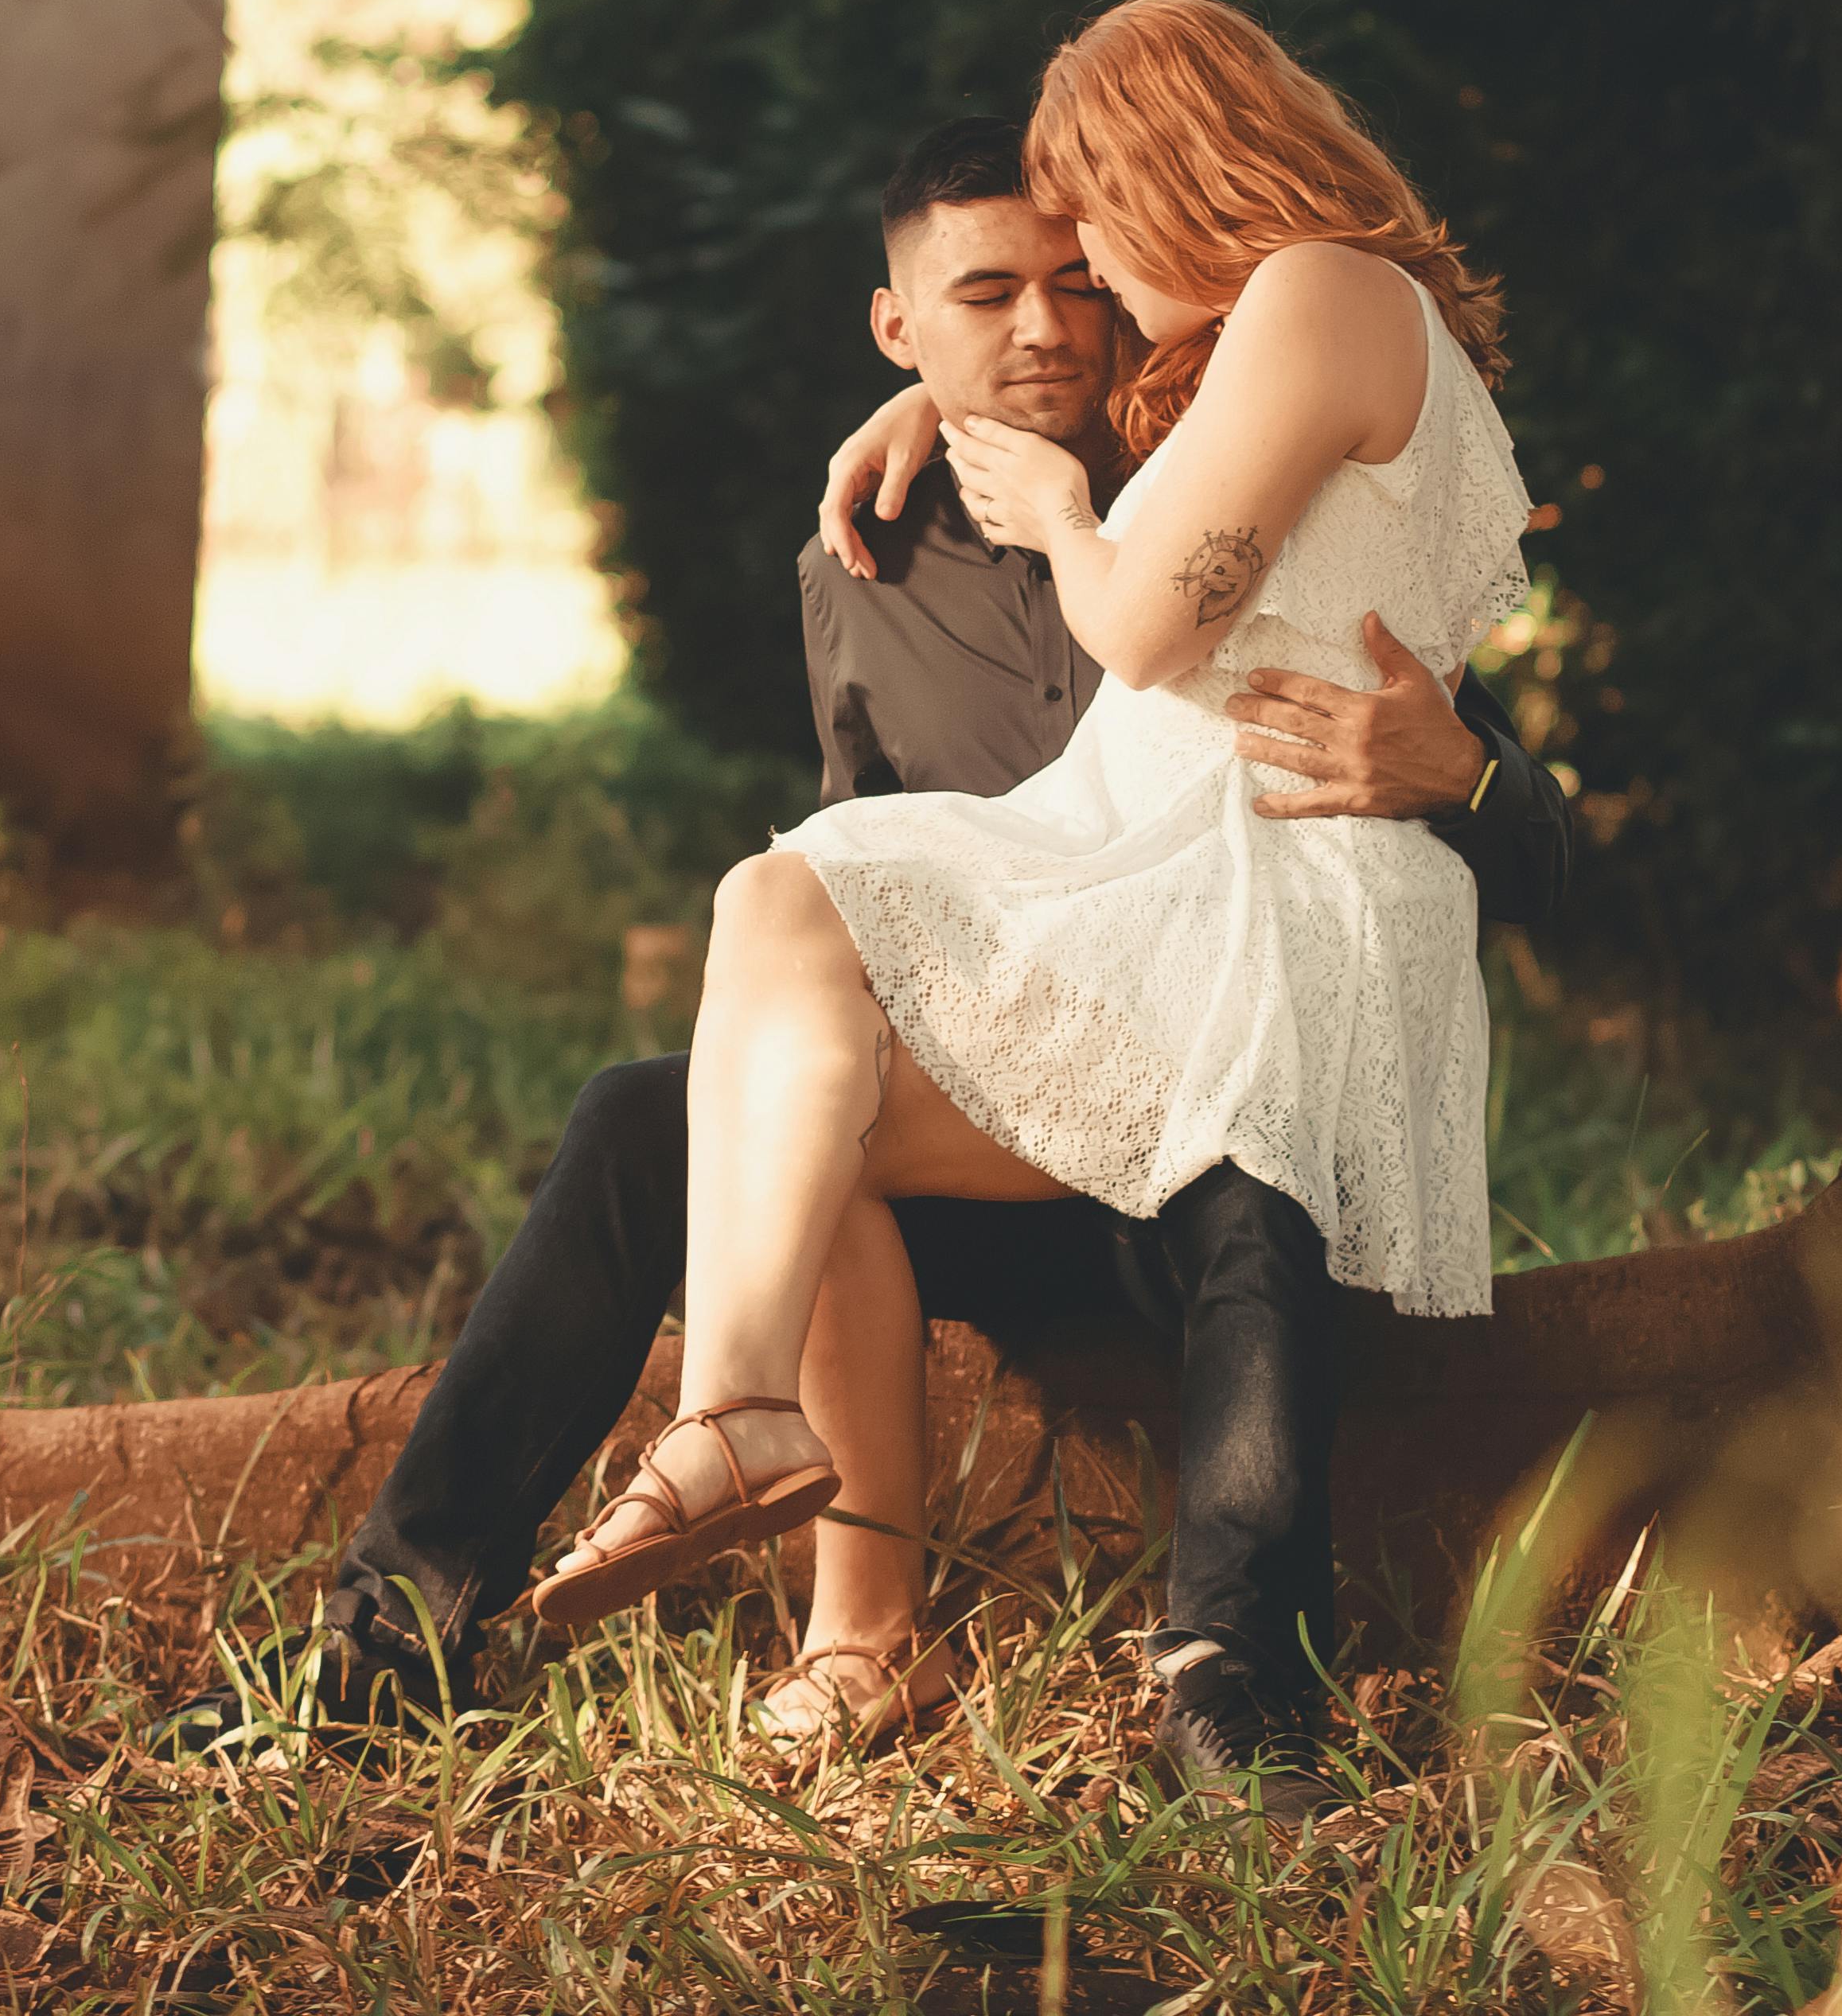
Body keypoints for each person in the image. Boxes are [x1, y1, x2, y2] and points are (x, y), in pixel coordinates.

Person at [299, 91, 1558, 1796]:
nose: (1049, 320)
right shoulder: (865, 553)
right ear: (897, 328)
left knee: (1248, 1148)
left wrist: (1472, 777)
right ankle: (398, 1649)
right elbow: (854, 905)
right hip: (991, 1144)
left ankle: (1237, 1696)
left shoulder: (1237, 458)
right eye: (984, 297)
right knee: (653, 1110)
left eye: (1075, 279)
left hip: (1215, 1135)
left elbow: (1518, 830)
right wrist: (947, 421)